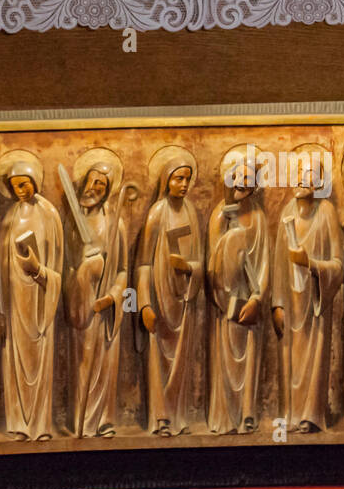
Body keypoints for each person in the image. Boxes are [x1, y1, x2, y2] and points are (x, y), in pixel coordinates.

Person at [271, 155, 344, 432]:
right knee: (289, 359)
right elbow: (279, 261)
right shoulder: (287, 212)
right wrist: (276, 304)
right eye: (300, 172)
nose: (303, 178)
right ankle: (289, 415)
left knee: (314, 360)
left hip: (316, 302)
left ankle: (310, 416)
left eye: (311, 174)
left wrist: (311, 264)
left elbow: (337, 264)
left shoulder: (326, 213)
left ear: (320, 183)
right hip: (290, 301)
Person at [0, 155, 63, 441]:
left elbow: (58, 267)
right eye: (15, 187)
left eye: (24, 184)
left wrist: (39, 271)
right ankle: (20, 424)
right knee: (14, 363)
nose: (21, 190)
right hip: (14, 302)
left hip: (40, 298)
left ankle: (40, 425)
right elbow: (0, 267)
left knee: (40, 361)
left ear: (35, 179)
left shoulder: (49, 214)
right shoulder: (9, 218)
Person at [137, 158, 203, 436]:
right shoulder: (157, 213)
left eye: (187, 179)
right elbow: (143, 263)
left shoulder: (191, 212)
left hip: (183, 298)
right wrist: (143, 304)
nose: (184, 184)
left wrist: (189, 268)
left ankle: (177, 416)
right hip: (160, 296)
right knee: (158, 359)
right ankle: (160, 418)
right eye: (178, 179)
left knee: (180, 362)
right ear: (166, 181)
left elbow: (200, 260)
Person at [206, 156, 271, 434]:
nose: (243, 183)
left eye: (248, 179)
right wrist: (225, 297)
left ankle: (246, 415)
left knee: (250, 363)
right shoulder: (220, 215)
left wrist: (257, 299)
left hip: (251, 302)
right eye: (239, 177)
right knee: (225, 362)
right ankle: (224, 418)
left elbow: (265, 260)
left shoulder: (258, 217)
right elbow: (213, 263)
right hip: (226, 303)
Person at [64, 162, 127, 438]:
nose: (94, 188)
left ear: (107, 190)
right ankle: (79, 419)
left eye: (101, 184)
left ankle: (102, 421)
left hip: (105, 306)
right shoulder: (71, 222)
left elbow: (124, 270)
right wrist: (79, 283)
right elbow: (64, 263)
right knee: (81, 363)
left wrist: (112, 297)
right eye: (91, 182)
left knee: (104, 365)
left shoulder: (116, 223)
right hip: (80, 303)